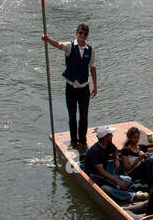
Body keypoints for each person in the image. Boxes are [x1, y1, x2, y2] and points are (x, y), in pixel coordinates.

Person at [42, 24, 96, 152]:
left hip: (84, 87)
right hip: (71, 86)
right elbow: (59, 45)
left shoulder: (90, 49)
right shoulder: (70, 46)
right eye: (81, 33)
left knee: (83, 116)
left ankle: (83, 141)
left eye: (85, 34)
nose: (83, 35)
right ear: (77, 33)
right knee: (72, 116)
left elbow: (92, 67)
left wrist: (95, 86)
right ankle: (73, 141)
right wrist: (48, 39)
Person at [84, 126, 137, 204]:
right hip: (95, 177)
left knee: (128, 180)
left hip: (105, 173)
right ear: (106, 137)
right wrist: (118, 181)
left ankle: (118, 187)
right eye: (110, 134)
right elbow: (101, 172)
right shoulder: (95, 151)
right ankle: (131, 196)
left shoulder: (108, 144)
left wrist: (116, 159)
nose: (112, 135)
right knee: (106, 189)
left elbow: (115, 150)